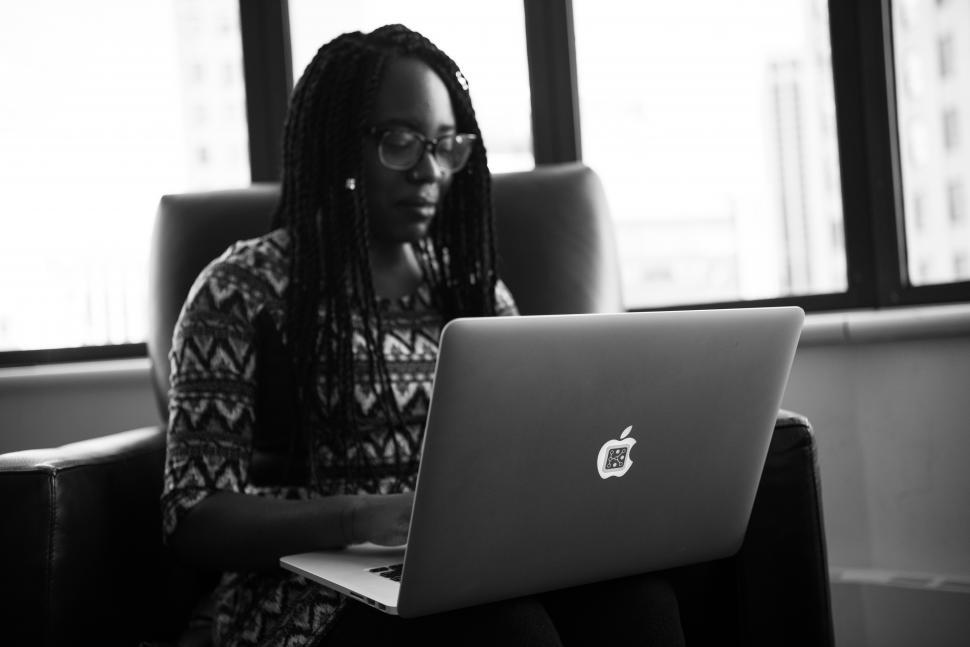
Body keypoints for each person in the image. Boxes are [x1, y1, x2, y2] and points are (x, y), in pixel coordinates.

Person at [161, 24, 684, 647]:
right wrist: (360, 517)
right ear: (337, 148)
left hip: (463, 567)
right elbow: (193, 514)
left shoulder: (475, 295)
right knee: (504, 631)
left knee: (638, 602)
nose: (429, 171)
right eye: (401, 143)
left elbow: (528, 456)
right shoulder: (239, 290)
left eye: (444, 145)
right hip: (299, 589)